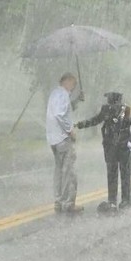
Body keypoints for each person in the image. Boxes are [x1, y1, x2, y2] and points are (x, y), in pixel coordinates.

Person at [75, 91, 131, 214]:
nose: (108, 101)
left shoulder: (127, 110)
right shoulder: (109, 109)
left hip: (122, 148)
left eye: (110, 98)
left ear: (114, 99)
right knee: (116, 175)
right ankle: (115, 201)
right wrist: (81, 124)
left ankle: (122, 201)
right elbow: (96, 120)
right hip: (111, 148)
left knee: (123, 174)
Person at [46, 72, 84, 216]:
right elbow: (60, 114)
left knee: (59, 170)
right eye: (73, 85)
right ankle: (68, 203)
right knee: (69, 172)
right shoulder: (63, 94)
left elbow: (64, 110)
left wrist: (76, 101)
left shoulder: (55, 94)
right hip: (63, 138)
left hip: (53, 139)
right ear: (67, 81)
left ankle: (58, 201)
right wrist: (70, 131)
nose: (73, 88)